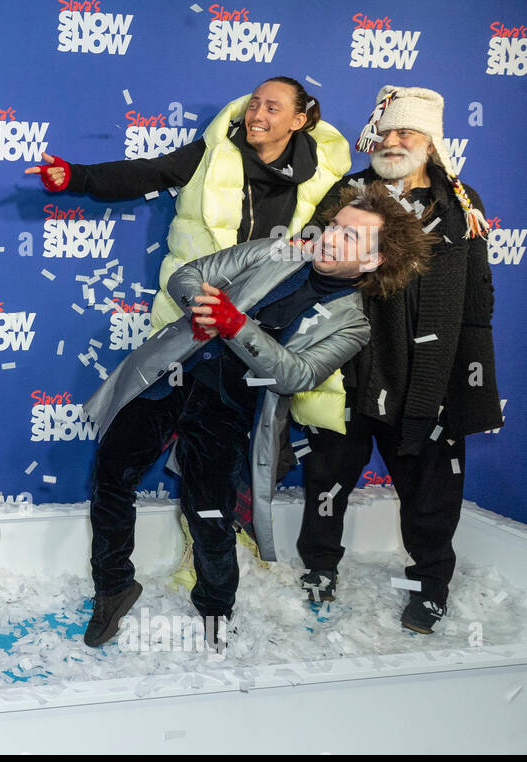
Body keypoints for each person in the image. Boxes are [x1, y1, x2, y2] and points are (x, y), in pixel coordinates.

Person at [80, 182, 436, 653]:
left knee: (208, 513)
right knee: (111, 480)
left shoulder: (353, 325)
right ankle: (113, 588)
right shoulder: (278, 250)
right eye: (334, 226)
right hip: (167, 378)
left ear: (374, 261)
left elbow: (296, 374)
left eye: (351, 237)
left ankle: (214, 610)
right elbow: (189, 274)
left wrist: (235, 324)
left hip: (226, 411)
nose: (329, 238)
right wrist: (201, 306)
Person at [26, 76, 352, 582]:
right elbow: (148, 172)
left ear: (300, 119)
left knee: (248, 440)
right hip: (195, 314)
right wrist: (76, 177)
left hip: (267, 328)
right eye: (253, 104)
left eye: (272, 106)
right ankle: (186, 559)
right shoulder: (214, 152)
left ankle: (223, 550)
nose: (257, 114)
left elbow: (359, 234)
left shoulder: (328, 176)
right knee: (176, 436)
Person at [295, 86, 501, 634]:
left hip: (427, 374)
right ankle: (318, 567)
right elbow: (308, 262)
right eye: (385, 133)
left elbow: (478, 293)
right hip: (352, 363)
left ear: (430, 143)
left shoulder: (461, 202)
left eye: (405, 132)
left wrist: (472, 371)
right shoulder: (348, 192)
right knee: (328, 475)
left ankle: (428, 586)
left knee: (431, 487)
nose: (392, 141)